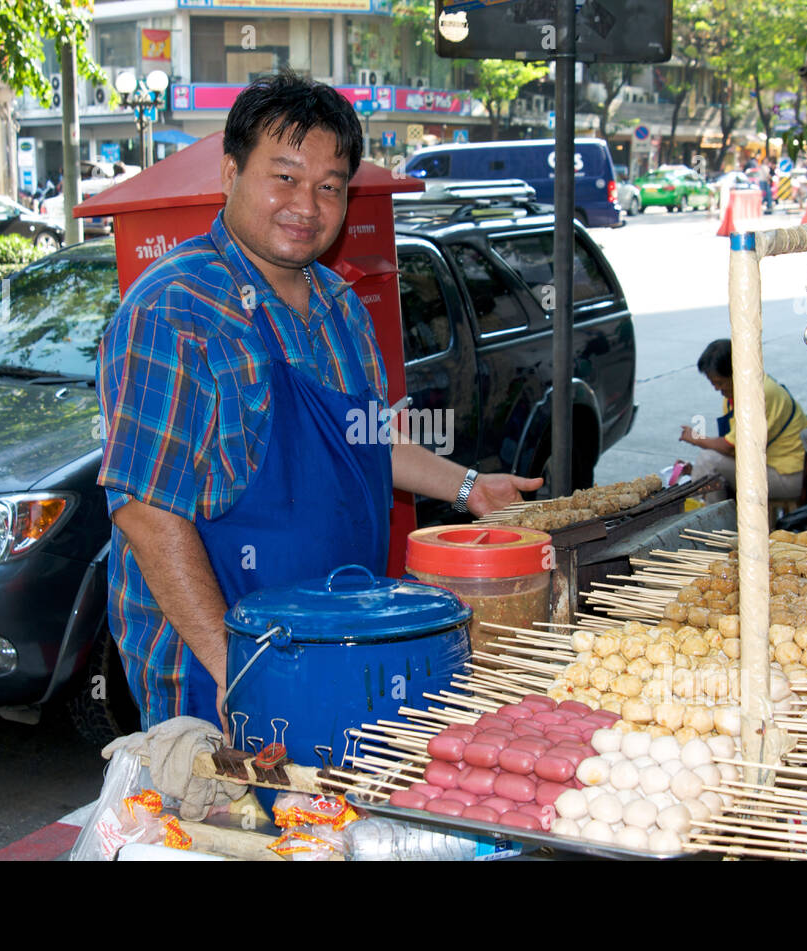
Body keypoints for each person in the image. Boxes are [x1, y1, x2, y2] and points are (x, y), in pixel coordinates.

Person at [97, 71, 541, 731]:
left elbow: (364, 435)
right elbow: (145, 509)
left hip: (342, 644)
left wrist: (469, 485)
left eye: (329, 186)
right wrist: (238, 668)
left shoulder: (339, 305)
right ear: (230, 172)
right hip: (219, 674)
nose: (306, 204)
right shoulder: (175, 308)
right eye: (284, 177)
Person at [678, 339, 806, 503]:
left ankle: (710, 523)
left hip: (791, 476)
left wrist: (696, 438)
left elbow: (730, 447)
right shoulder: (735, 393)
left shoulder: (756, 394)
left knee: (708, 460)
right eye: (713, 383)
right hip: (770, 467)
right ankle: (720, 523)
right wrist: (695, 471)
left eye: (719, 382)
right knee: (709, 469)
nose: (717, 388)